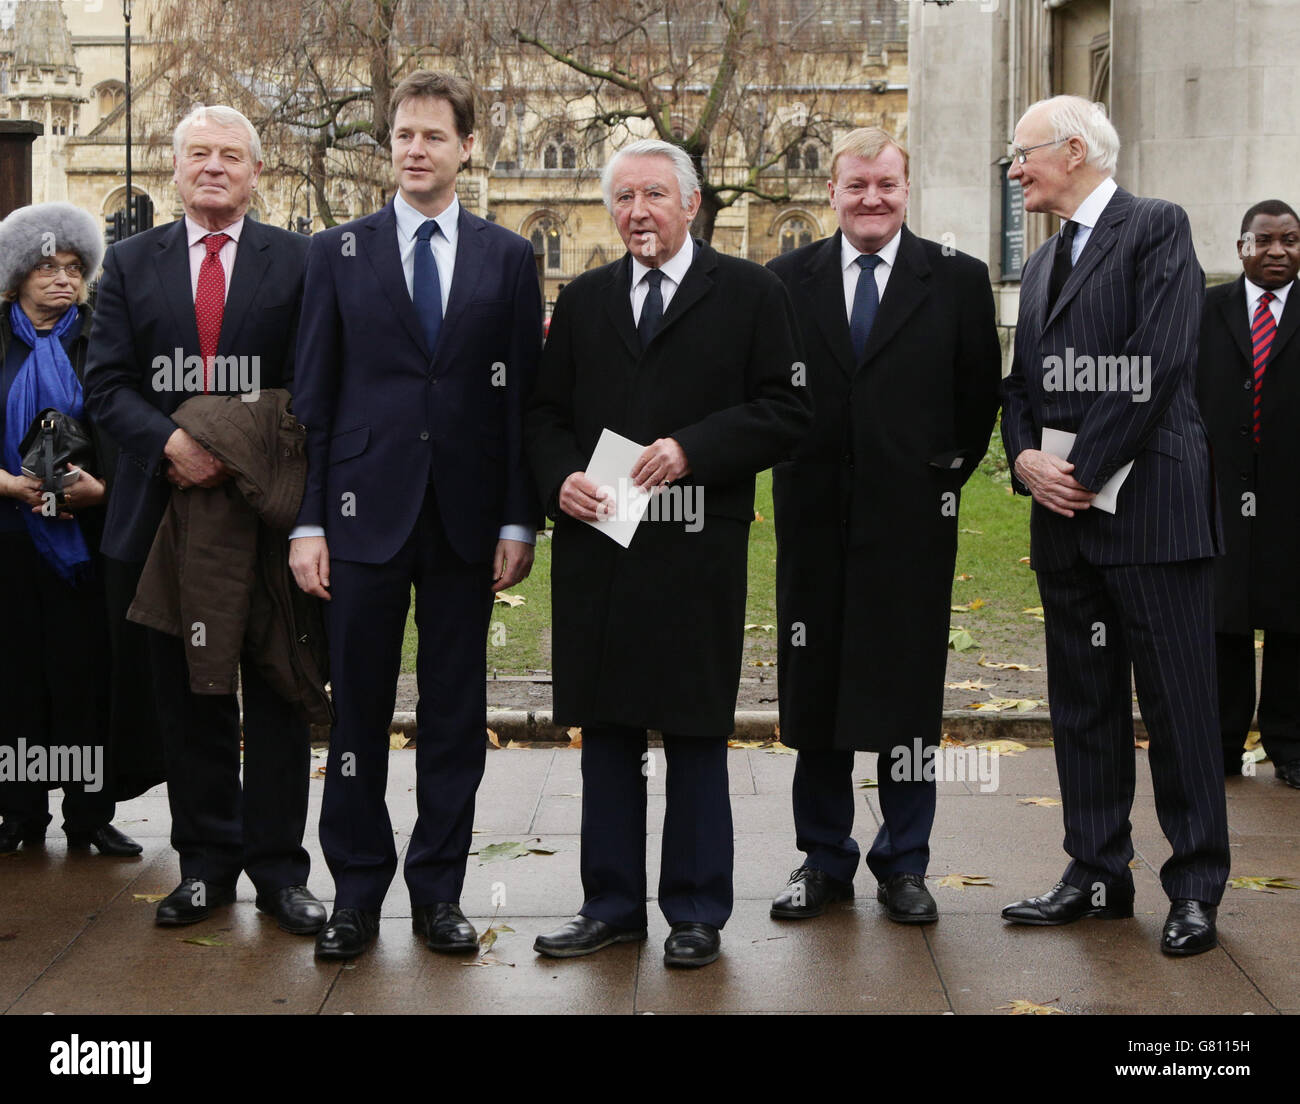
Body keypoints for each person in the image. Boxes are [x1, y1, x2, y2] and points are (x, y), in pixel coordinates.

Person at [526, 138, 813, 968]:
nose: (637, 212)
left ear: (691, 204)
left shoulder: (753, 293)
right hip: (600, 550)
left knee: (693, 734)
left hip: (696, 547)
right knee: (608, 732)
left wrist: (693, 447)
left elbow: (790, 410)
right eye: (622, 199)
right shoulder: (582, 299)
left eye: (653, 195)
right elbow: (543, 415)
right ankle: (610, 904)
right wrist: (560, 480)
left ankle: (695, 910)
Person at [288, 71, 543, 960]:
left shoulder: (508, 259)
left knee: (451, 710)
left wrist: (520, 520)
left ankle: (440, 892)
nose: (416, 150)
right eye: (402, 135)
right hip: (359, 518)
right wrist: (308, 522)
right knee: (356, 711)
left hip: (466, 523)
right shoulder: (338, 253)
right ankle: (355, 892)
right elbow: (313, 402)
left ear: (466, 146)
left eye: (434, 136)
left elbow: (520, 408)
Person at [83, 105, 324, 935]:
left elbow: (315, 384)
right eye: (198, 155)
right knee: (192, 698)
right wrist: (175, 445)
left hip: (268, 517)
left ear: (257, 172)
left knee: (279, 693)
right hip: (165, 518)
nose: (214, 167)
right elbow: (105, 383)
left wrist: (242, 451)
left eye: (231, 155)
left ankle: (282, 875)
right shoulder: (126, 263)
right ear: (174, 168)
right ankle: (205, 867)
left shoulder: (299, 262)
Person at [1000, 95, 1229, 955]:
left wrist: (1082, 472)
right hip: (1065, 521)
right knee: (1083, 707)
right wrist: (1028, 462)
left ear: (1071, 149)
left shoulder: (1155, 226)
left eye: (1021, 155)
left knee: (1178, 708)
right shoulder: (1043, 261)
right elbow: (1017, 387)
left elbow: (1158, 361)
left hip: (1151, 514)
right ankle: (1095, 872)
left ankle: (1196, 889)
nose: (1015, 171)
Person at [765, 128, 1001, 925]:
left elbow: (978, 403)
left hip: (911, 530)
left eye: (887, 185)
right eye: (857, 185)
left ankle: (905, 863)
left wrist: (932, 479)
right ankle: (823, 859)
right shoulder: (784, 280)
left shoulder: (959, 280)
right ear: (830, 192)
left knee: (906, 703)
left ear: (908, 190)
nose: (872, 199)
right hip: (812, 525)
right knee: (816, 698)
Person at [0, 202, 140, 857]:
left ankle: (88, 814)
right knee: (16, 677)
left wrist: (99, 490)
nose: (63, 280)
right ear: (18, 273)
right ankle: (19, 812)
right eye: (48, 267)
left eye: (75, 268)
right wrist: (7, 484)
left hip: (87, 540)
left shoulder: (103, 339)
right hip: (9, 536)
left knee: (86, 677)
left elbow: (128, 432)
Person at [1196, 200, 1300, 789]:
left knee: (1293, 625)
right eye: (1263, 241)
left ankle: (1291, 746)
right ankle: (1221, 743)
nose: (1277, 252)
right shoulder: (1207, 310)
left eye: (1289, 241)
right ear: (1242, 247)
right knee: (1224, 619)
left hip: (1292, 494)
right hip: (1221, 488)